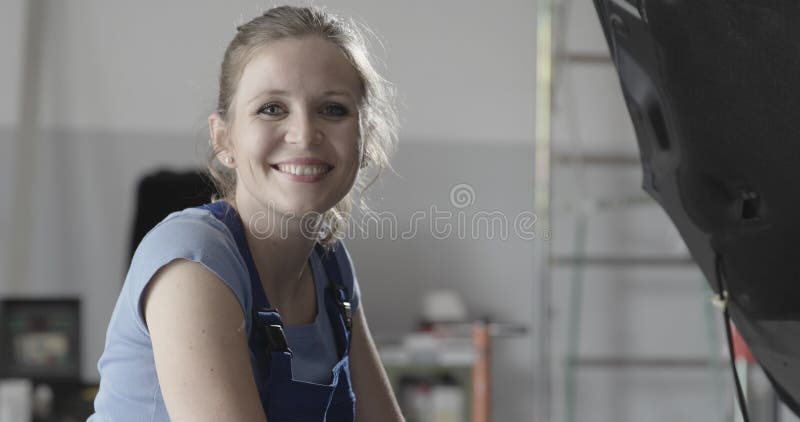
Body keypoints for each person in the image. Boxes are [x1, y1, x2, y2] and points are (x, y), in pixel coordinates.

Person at [89, 6, 403, 421]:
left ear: (367, 140)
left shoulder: (332, 269)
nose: (305, 134)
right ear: (224, 139)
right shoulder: (193, 261)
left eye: (333, 109)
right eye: (272, 108)